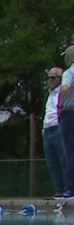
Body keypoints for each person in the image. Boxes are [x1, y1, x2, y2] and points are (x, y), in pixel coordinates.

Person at [44, 68, 69, 199]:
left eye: (53, 78)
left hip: (58, 127)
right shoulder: (49, 94)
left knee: (63, 159)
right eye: (49, 78)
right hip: (48, 128)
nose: (50, 80)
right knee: (52, 163)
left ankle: (67, 189)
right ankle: (59, 190)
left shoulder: (64, 91)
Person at [59, 45, 74, 196]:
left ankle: (70, 188)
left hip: (70, 113)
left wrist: (60, 105)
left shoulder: (69, 72)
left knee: (70, 151)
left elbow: (65, 88)